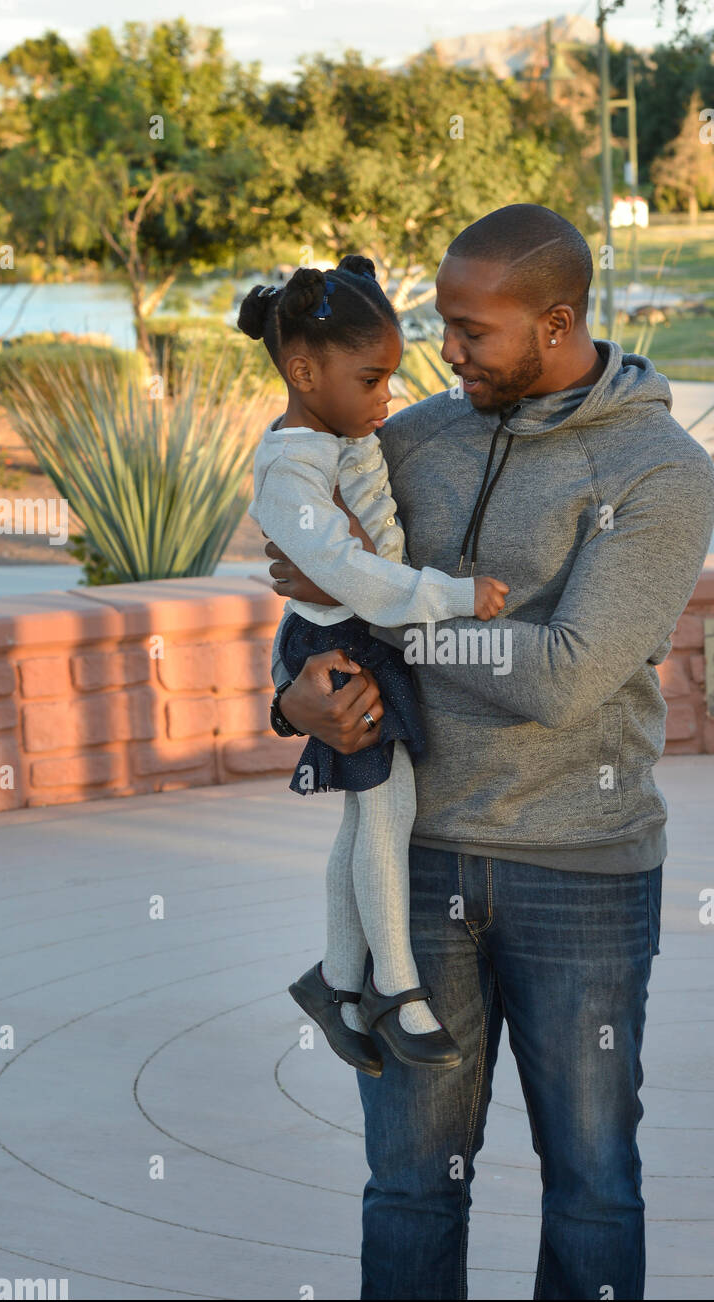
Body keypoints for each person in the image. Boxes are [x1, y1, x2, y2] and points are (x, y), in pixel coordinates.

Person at [266, 205, 714, 1300]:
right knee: (411, 1184)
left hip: (583, 870)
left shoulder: (661, 471)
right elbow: (310, 598)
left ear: (557, 322)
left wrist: (408, 613)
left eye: (472, 331)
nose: (445, 351)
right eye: (440, 324)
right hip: (413, 863)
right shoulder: (406, 438)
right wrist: (292, 702)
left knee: (593, 1181)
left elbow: (565, 674)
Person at [239, 254, 509, 1074]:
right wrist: (453, 596)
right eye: (372, 380)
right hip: (338, 646)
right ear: (303, 370)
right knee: (387, 817)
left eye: (392, 379)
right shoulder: (290, 466)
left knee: (370, 817)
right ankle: (393, 987)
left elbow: (356, 545)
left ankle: (339, 982)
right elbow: (352, 574)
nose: (386, 400)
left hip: (356, 634)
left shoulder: (335, 432)